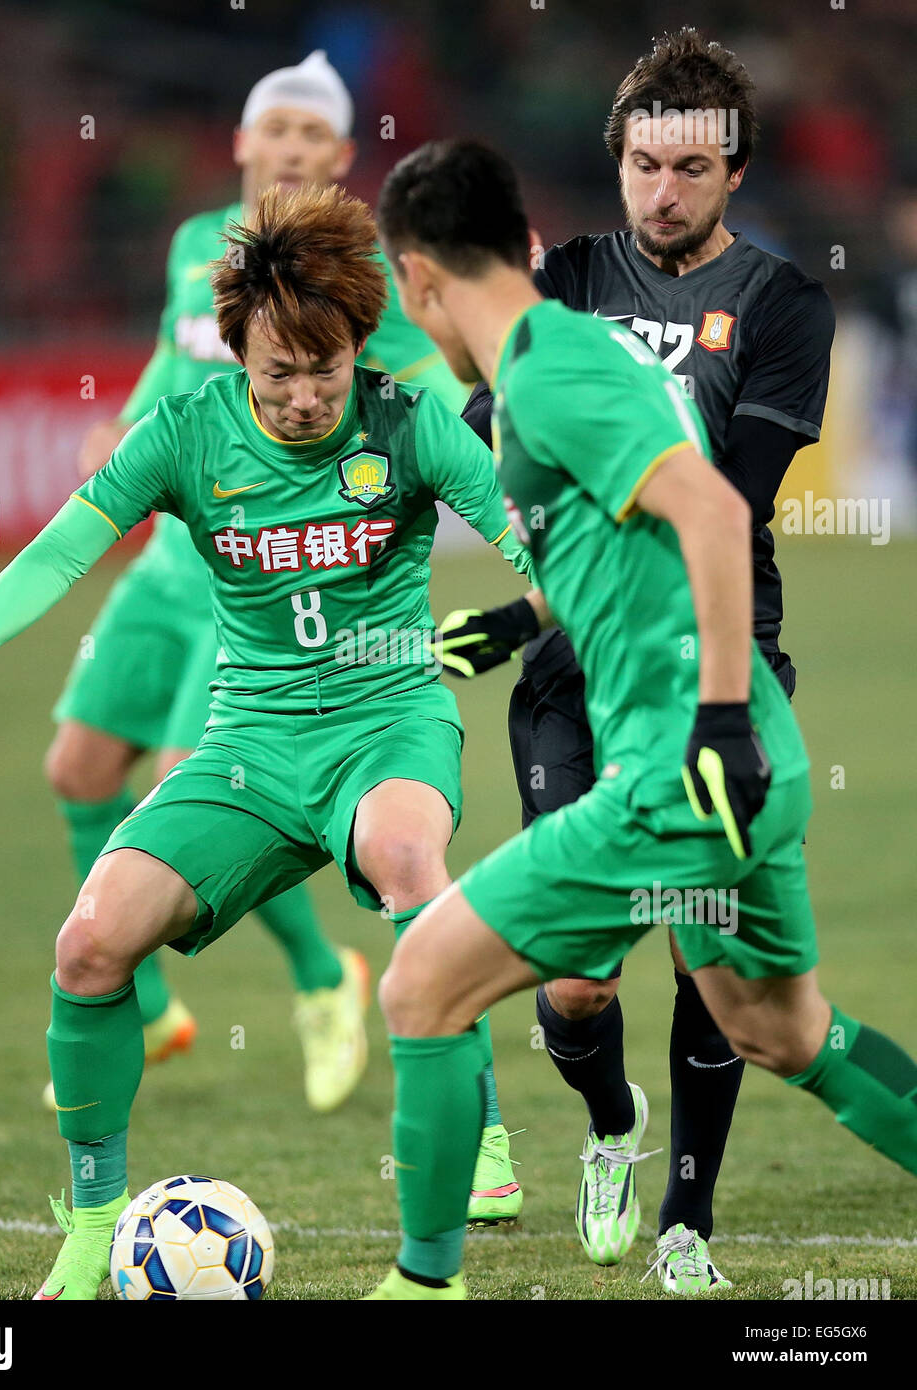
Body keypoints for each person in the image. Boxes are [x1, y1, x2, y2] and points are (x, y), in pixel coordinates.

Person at [0, 182, 533, 1299]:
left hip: (389, 720)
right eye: (281, 372)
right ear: (236, 352)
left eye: (327, 367)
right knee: (87, 945)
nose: (309, 393)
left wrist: (573, 614)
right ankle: (88, 1226)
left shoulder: (413, 423)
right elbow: (64, 542)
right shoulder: (184, 434)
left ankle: (450, 1239)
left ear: (362, 341)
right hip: (251, 742)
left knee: (414, 869)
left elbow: (533, 543)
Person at [366, 137, 916, 1302]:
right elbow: (633, 534)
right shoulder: (564, 354)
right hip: (751, 756)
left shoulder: (549, 370)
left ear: (417, 279)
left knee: (420, 982)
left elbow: (713, 513)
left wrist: (713, 720)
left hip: (682, 766)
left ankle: (421, 1287)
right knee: (785, 1033)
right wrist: (523, 620)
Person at [441, 28, 835, 1290]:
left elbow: (724, 497)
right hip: (569, 674)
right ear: (616, 161)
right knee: (574, 977)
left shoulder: (782, 305)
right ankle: (613, 1126)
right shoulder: (553, 284)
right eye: (643, 164)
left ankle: (688, 1223)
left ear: (735, 175)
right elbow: (495, 436)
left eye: (692, 169)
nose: (663, 192)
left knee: (705, 950)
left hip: (713, 661)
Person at [44, 50, 473, 1118]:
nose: (286, 147)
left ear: (337, 157)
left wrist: (475, 426)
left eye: (308, 135)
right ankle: (134, 995)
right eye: (270, 129)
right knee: (78, 767)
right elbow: (165, 362)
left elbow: (412, 372)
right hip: (171, 556)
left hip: (268, 581)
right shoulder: (197, 246)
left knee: (203, 772)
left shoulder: (351, 281)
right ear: (241, 143)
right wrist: (129, 425)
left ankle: (324, 979)